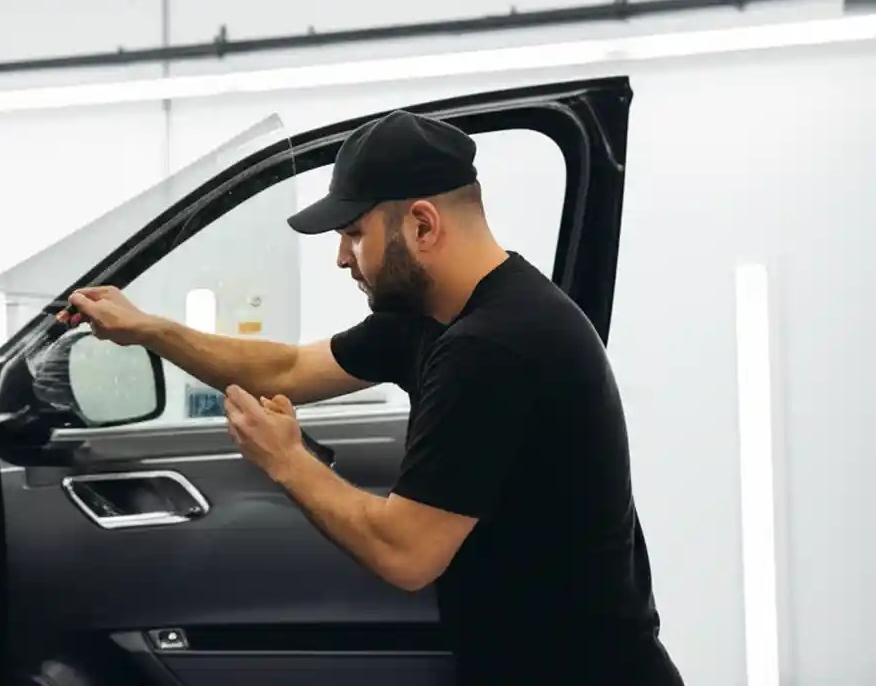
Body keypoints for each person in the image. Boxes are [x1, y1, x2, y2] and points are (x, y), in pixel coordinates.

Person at [61, 110, 684, 685]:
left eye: (353, 233)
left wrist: (285, 460)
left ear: (421, 224)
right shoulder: (434, 318)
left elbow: (406, 553)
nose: (340, 258)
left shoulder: (495, 347)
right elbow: (288, 367)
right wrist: (150, 329)